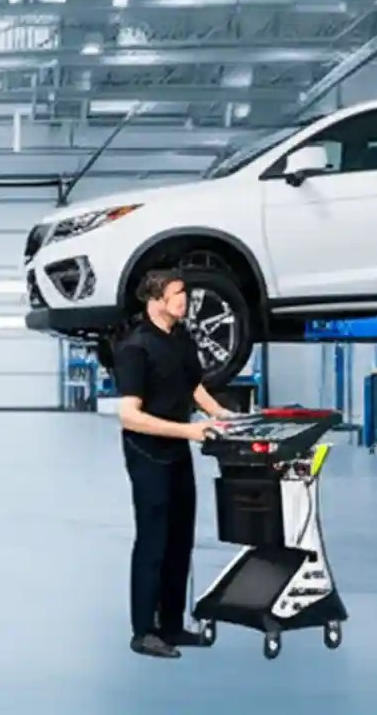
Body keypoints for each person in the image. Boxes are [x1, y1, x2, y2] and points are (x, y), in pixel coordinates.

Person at [111, 268, 235, 659]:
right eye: (178, 293)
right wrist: (191, 433)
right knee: (153, 542)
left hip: (178, 449)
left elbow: (192, 385)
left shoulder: (180, 337)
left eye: (185, 292)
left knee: (180, 539)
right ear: (156, 299)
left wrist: (223, 415)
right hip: (148, 452)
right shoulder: (135, 347)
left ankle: (171, 625)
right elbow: (129, 415)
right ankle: (143, 632)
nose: (185, 300)